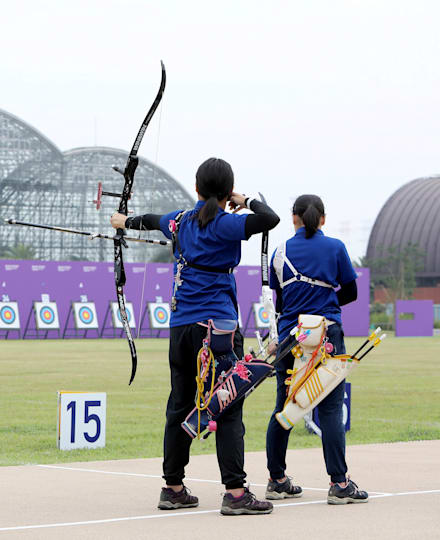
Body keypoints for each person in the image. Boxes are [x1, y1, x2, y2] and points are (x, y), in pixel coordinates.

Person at [111, 157, 279, 515]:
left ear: (197, 187)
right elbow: (270, 219)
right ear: (225, 189)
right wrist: (242, 198)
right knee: (228, 406)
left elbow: (152, 220)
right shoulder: (226, 224)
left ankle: (172, 488)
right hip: (216, 330)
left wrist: (123, 222)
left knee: (180, 403)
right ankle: (235, 493)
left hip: (182, 327)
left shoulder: (181, 221)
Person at [264, 194, 367, 504]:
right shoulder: (335, 247)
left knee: (285, 406)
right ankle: (339, 484)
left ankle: (276, 479)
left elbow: (281, 303)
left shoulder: (280, 252)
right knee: (331, 409)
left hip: (291, 338)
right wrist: (327, 300)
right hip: (327, 335)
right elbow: (350, 290)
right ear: (322, 219)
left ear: (294, 218)